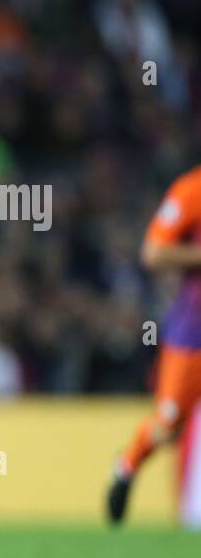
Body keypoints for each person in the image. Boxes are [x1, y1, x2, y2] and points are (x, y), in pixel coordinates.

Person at [108, 165, 201, 524]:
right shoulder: (191, 190)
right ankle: (127, 465)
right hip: (192, 333)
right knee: (168, 424)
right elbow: (154, 252)